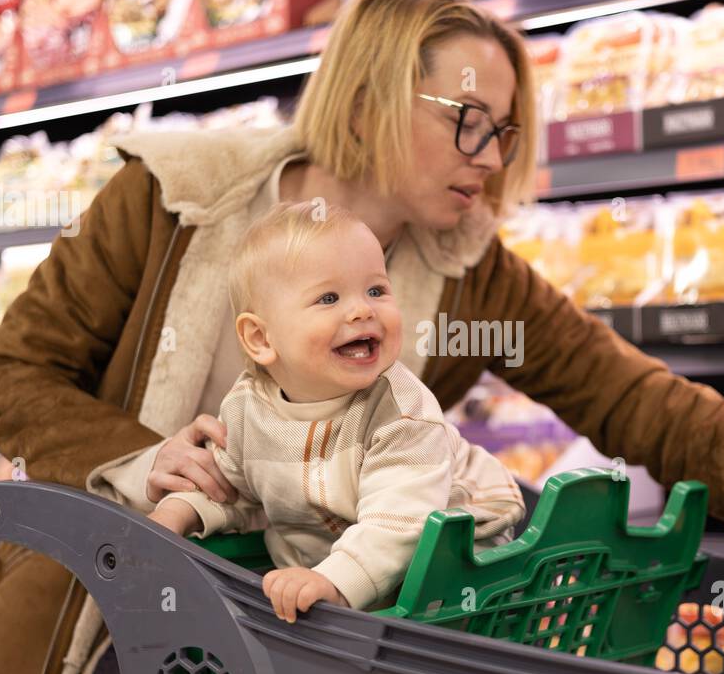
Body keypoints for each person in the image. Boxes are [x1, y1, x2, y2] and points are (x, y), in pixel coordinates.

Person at [0, 0, 724, 674]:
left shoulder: (468, 271)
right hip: (106, 634)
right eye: (467, 120)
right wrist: (142, 459)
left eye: (506, 130)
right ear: (367, 97)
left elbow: (631, 395)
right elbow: (15, 366)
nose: (491, 156)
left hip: (310, 653)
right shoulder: (175, 201)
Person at [147, 200, 524, 620]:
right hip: (341, 565)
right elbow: (230, 487)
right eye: (328, 298)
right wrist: (174, 515)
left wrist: (334, 582)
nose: (363, 309)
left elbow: (400, 525)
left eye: (376, 290)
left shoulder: (400, 412)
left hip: (464, 552)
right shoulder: (247, 408)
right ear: (260, 338)